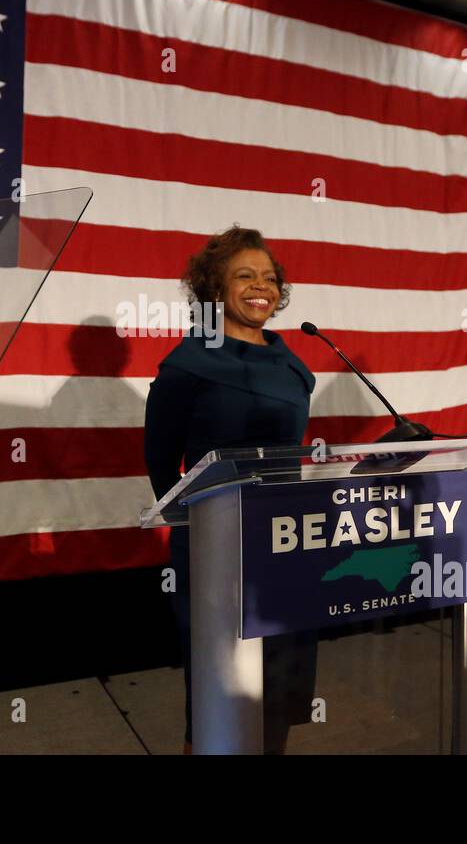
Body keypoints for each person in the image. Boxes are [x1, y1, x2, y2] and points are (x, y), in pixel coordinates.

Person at [143, 225, 319, 754]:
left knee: (279, 684)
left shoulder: (293, 365)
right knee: (218, 693)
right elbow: (160, 464)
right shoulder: (188, 365)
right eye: (244, 275)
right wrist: (201, 527)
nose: (260, 286)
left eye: (269, 278)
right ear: (215, 289)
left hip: (286, 545)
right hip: (215, 549)